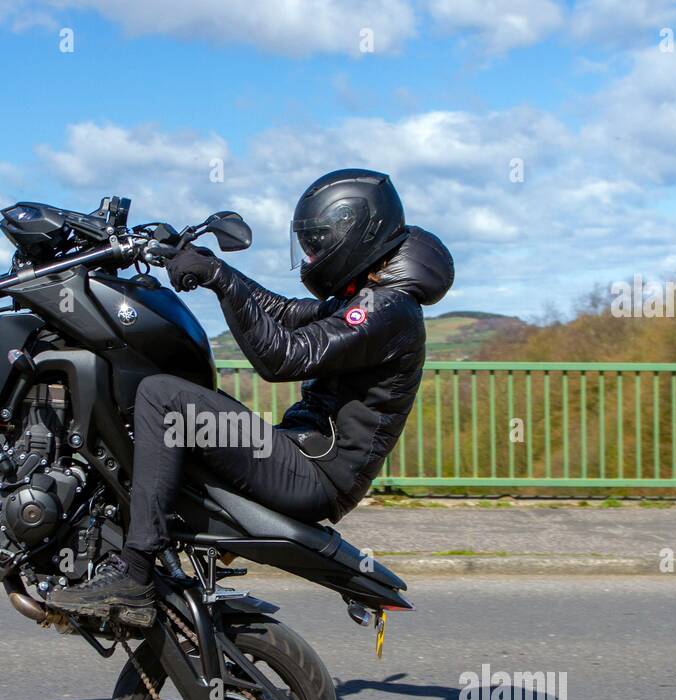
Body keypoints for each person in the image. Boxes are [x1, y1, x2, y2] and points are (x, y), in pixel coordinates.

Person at [46, 168, 453, 617]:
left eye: (318, 243)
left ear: (354, 233)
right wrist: (197, 261)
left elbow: (282, 356)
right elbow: (285, 311)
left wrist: (218, 276)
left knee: (163, 396)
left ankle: (135, 574)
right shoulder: (368, 295)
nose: (312, 255)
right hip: (304, 459)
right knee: (165, 406)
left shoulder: (387, 308)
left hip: (315, 477)